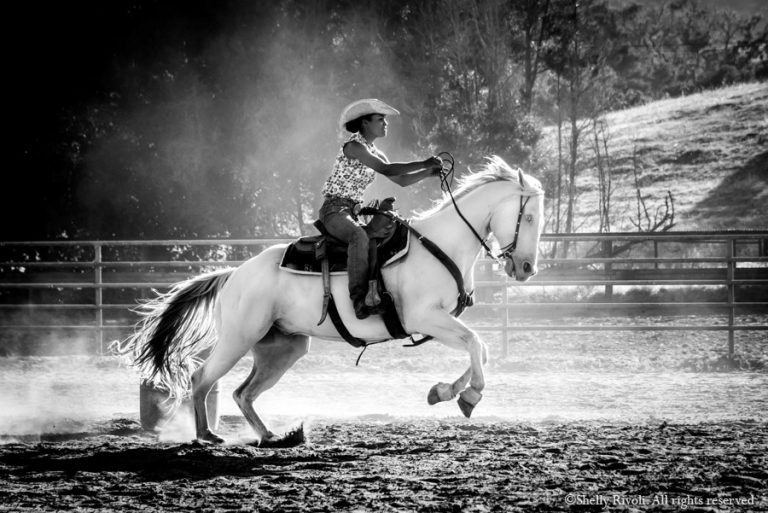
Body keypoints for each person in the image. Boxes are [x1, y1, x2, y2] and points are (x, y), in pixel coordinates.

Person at [320, 98, 443, 319]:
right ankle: (359, 299)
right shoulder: (354, 146)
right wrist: (425, 163)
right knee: (358, 236)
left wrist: (428, 173)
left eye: (384, 119)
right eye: (380, 119)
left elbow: (402, 180)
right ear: (365, 123)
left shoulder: (373, 151)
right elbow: (387, 169)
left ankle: (380, 290)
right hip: (334, 209)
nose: (385, 123)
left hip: (353, 210)